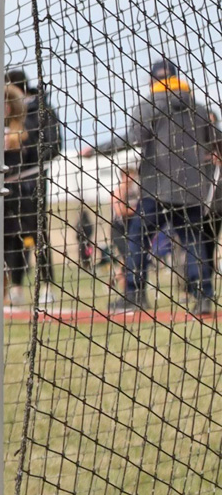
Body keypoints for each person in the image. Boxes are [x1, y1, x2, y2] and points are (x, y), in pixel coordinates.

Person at [87, 58, 221, 314]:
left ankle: (135, 295)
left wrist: (95, 150)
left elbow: (133, 139)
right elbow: (217, 141)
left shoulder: (148, 106)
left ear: (152, 80)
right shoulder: (199, 109)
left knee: (137, 238)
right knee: (194, 242)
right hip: (192, 191)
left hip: (156, 189)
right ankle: (204, 297)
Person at [7, 68, 64, 300]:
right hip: (9, 185)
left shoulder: (42, 111)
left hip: (33, 185)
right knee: (13, 235)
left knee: (37, 233)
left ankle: (46, 286)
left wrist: (28, 151)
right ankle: (16, 286)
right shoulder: (7, 113)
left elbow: (54, 145)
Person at [3, 85, 41, 307]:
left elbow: (33, 160)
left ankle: (17, 287)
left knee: (20, 240)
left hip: (18, 195)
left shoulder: (23, 132)